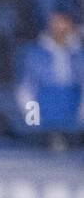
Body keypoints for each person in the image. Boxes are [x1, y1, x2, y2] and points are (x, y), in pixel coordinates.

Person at [16, 11, 84, 140]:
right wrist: (33, 118)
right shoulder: (34, 54)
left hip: (74, 116)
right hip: (44, 115)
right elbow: (25, 89)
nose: (59, 27)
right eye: (55, 22)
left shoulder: (79, 54)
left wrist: (81, 118)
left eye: (63, 22)